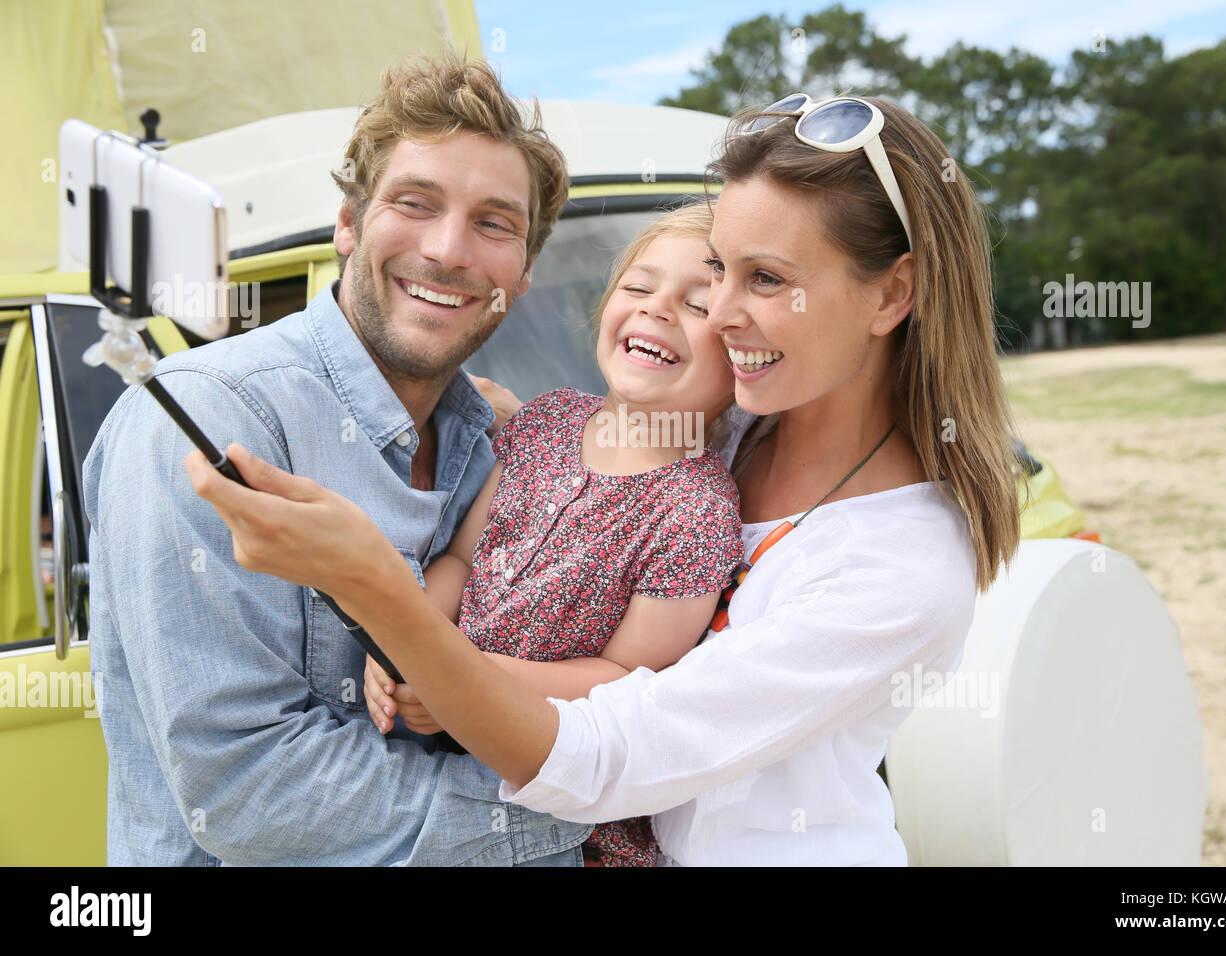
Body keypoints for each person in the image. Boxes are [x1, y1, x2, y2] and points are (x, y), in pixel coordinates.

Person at [187, 92, 1024, 865]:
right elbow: (609, 441)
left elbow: (609, 756)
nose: (721, 312)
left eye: (765, 279)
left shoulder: (902, 564)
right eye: (720, 270)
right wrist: (512, 423)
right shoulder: (735, 427)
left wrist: (378, 593)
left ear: (893, 295)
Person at [84, 53, 597, 865]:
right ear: (349, 224)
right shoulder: (215, 416)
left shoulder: (500, 445)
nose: (450, 249)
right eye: (414, 203)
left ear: (525, 270)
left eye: (496, 223)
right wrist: (586, 801)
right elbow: (252, 793)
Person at [366, 203, 744, 865]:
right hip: (441, 769)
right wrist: (405, 637)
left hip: (565, 824)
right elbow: (461, 557)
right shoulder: (546, 419)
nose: (657, 308)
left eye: (698, 304)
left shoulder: (698, 513)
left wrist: (459, 676)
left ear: (743, 352)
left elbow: (625, 679)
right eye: (638, 286)